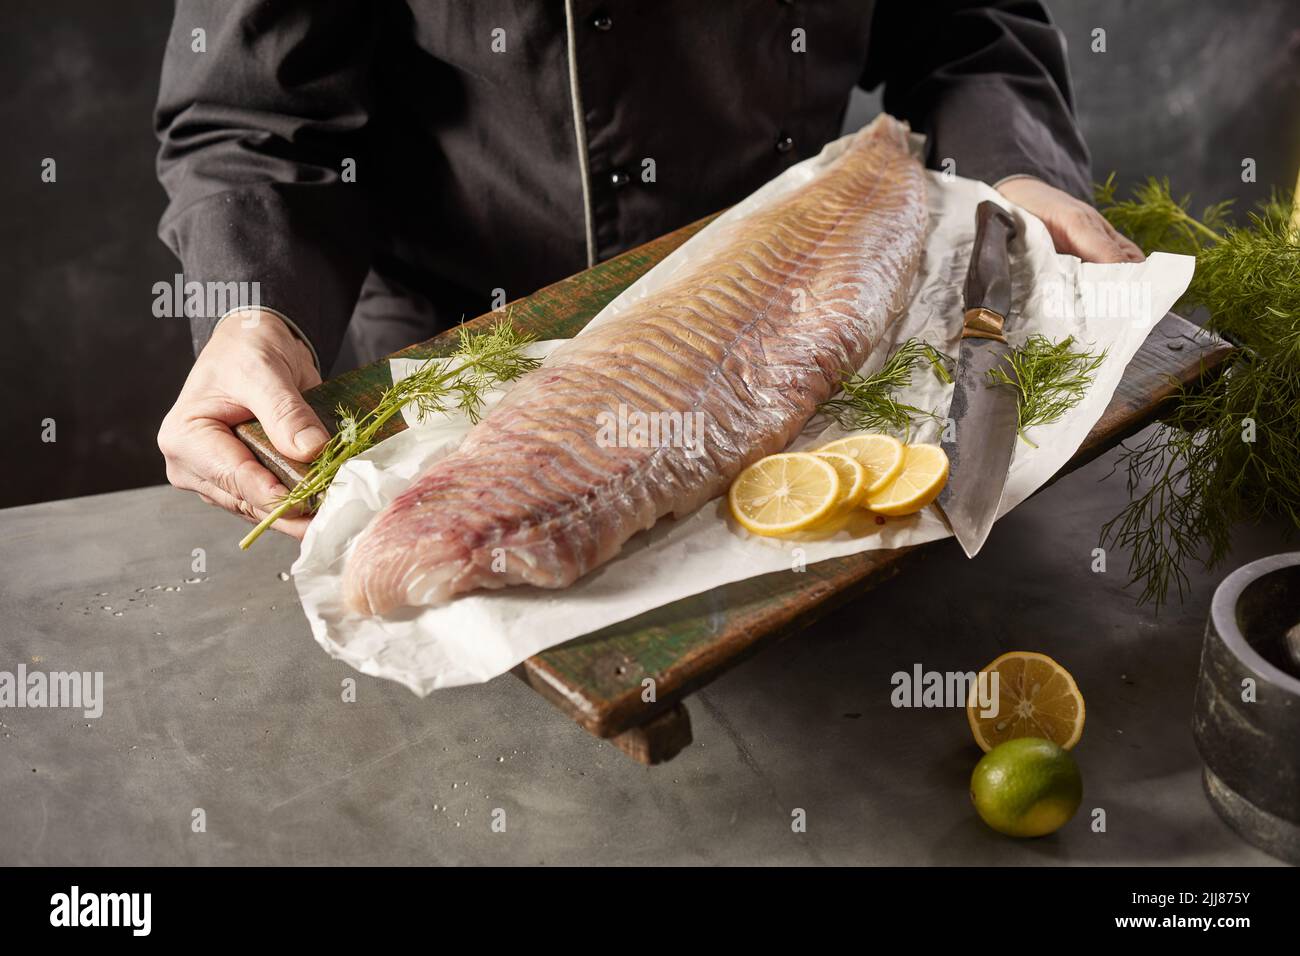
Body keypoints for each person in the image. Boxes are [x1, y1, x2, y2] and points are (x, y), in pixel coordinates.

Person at [154, 1, 1143, 538]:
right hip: (446, 368)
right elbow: (252, 115)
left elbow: (968, 27)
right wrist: (254, 304)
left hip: (790, 322)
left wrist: (1012, 169)